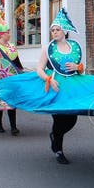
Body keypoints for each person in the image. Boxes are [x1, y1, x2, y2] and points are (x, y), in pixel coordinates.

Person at [35, 9, 83, 164]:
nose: (54, 32)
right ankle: (59, 150)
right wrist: (48, 79)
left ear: (64, 31)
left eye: (57, 29)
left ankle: (55, 136)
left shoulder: (75, 46)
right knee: (59, 118)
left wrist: (78, 67)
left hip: (72, 87)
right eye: (52, 30)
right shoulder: (48, 48)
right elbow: (39, 69)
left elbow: (82, 68)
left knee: (72, 119)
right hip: (55, 87)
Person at [0, 10, 21, 135]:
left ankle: (13, 127)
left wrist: (21, 72)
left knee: (12, 102)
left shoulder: (12, 47)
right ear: (1, 34)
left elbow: (17, 62)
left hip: (11, 78)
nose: (9, 34)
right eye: (7, 32)